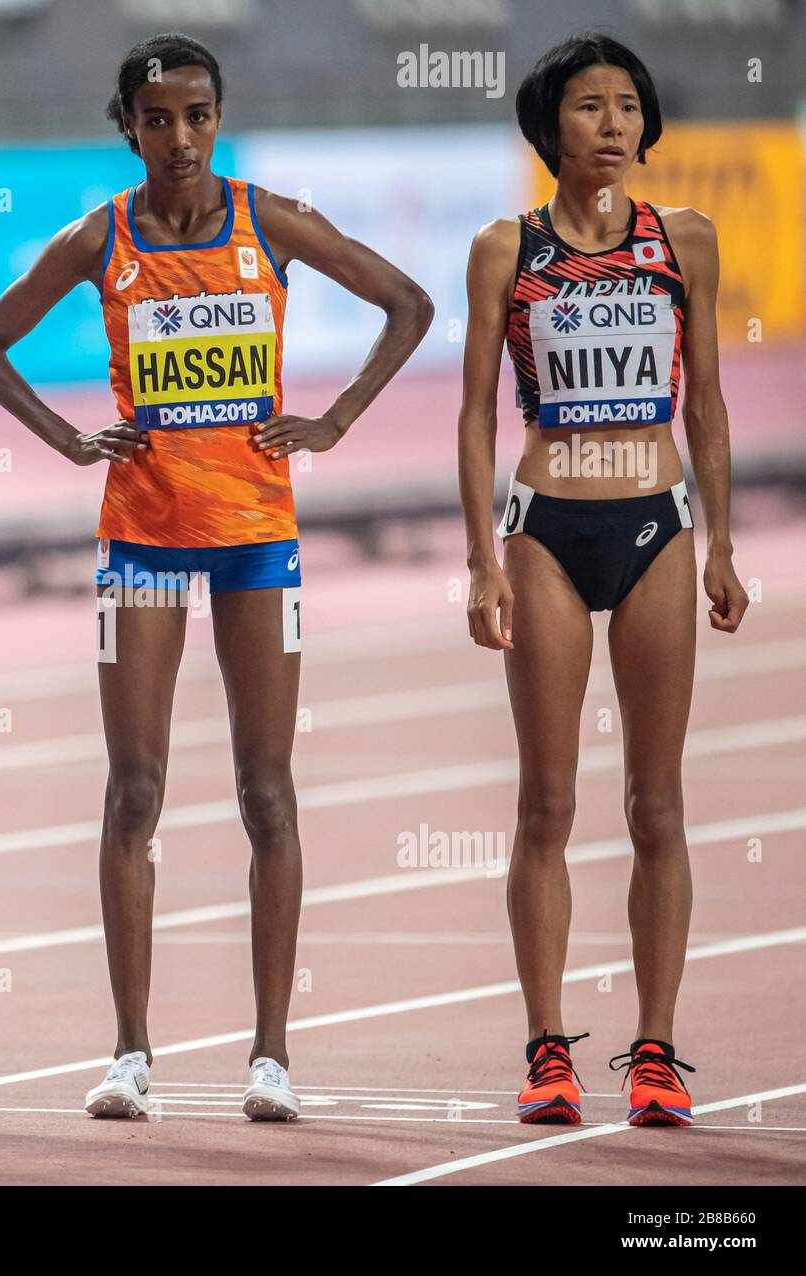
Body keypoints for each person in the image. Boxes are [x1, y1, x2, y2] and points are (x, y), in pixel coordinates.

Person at [0, 32, 432, 1121]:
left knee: (266, 791)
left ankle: (270, 1055)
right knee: (134, 791)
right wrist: (70, 441)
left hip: (257, 538)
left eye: (199, 115)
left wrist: (333, 422)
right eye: (160, 118)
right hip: (140, 542)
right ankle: (130, 1052)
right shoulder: (102, 238)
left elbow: (406, 302)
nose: (181, 137)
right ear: (126, 127)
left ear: (219, 119)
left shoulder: (269, 222)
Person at [458, 32, 747, 1127]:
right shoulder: (505, 249)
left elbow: (707, 400)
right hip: (544, 530)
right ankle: (545, 1052)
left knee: (656, 802)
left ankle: (658, 1053)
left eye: (628, 104)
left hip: (657, 528)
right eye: (589, 106)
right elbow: (474, 412)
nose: (614, 124)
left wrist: (720, 542)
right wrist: (481, 559)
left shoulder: (684, 242)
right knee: (546, 800)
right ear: (549, 128)